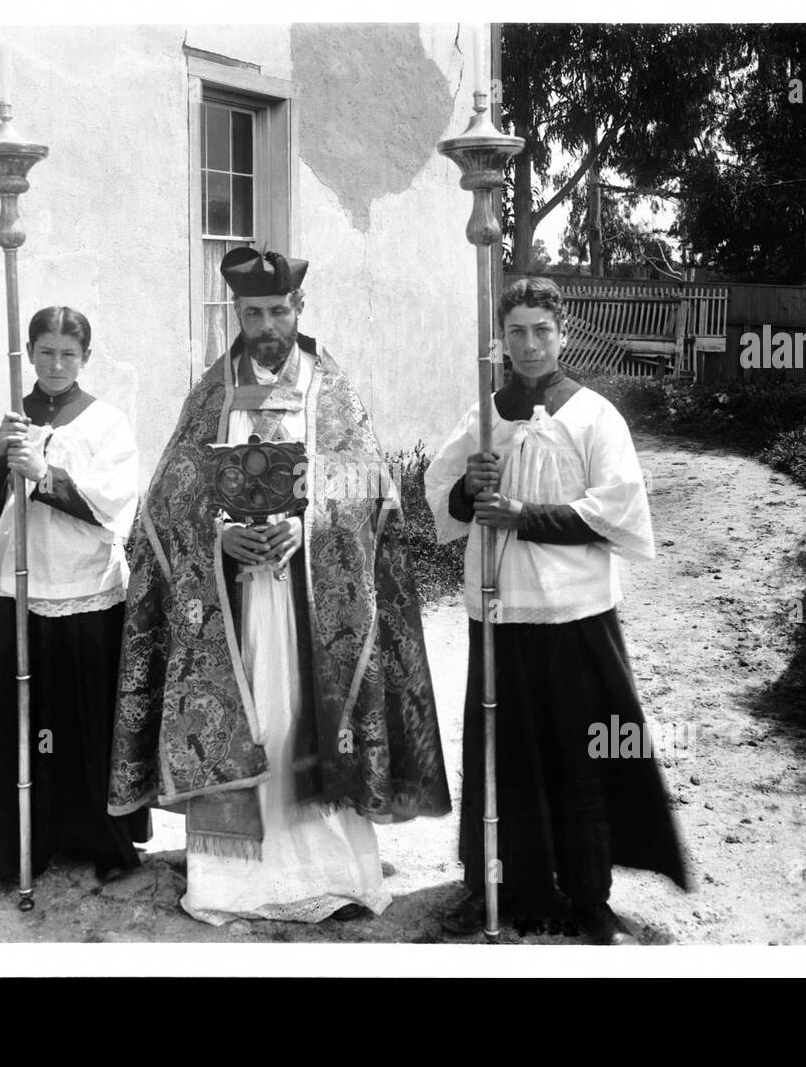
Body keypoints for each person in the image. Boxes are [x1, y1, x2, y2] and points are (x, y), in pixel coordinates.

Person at [108, 248, 450, 925]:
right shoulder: (212, 393)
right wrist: (218, 538)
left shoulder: (332, 388)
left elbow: (368, 488)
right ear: (237, 312)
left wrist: (309, 529)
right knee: (250, 716)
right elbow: (169, 500)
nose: (266, 323)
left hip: (308, 600)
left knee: (304, 718)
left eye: (278, 310)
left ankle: (327, 870)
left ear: (299, 309)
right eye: (253, 311)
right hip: (235, 602)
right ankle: (232, 882)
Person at [424, 276, 690, 943]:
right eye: (517, 331)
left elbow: (618, 510)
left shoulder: (595, 415)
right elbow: (440, 495)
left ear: (563, 333)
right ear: (502, 340)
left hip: (576, 611)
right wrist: (467, 488)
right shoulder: (484, 414)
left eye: (543, 329)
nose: (530, 343)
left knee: (581, 750)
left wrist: (524, 515)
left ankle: (589, 894)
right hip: (501, 605)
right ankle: (500, 884)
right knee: (504, 751)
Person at [0, 305, 150, 884]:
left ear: (86, 358)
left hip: (88, 590)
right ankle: (22, 845)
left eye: (69, 354)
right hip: (24, 590)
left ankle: (102, 843)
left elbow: (114, 508)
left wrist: (44, 472)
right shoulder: (5, 421)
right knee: (29, 723)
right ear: (29, 353)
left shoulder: (108, 422)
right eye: (45, 352)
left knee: (87, 721)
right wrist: (1, 458)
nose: (56, 364)